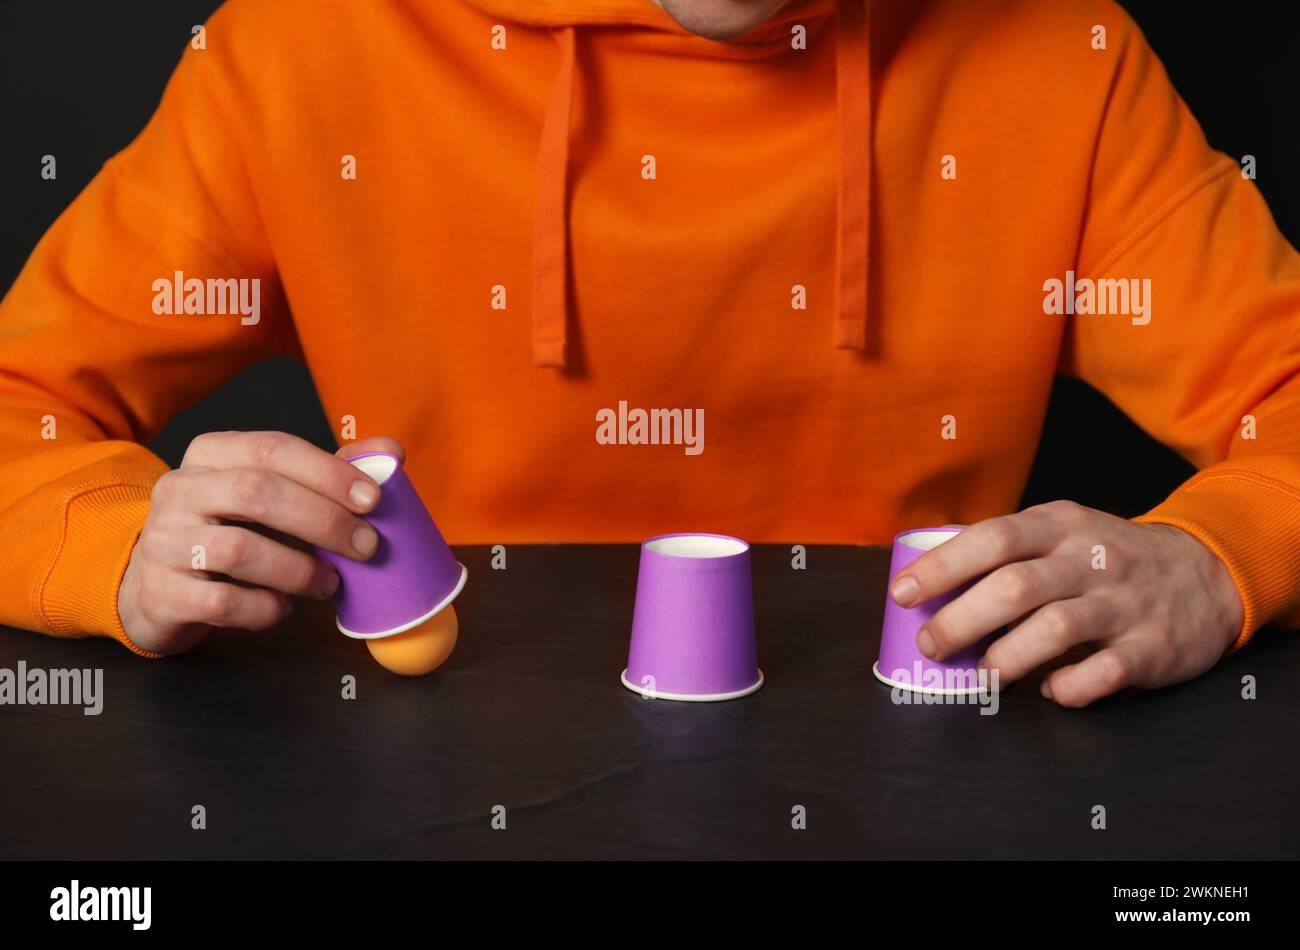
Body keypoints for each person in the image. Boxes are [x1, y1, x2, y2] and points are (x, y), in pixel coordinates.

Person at [1, 0, 1295, 708]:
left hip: (925, 773)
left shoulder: (1065, 54)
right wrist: (122, 545)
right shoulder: (299, 48)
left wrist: (1217, 560)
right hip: (424, 785)